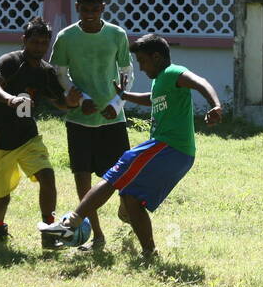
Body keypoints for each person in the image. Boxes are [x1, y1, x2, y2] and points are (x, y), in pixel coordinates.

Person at [39, 34, 222, 259]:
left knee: (118, 170)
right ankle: (149, 253)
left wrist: (216, 105)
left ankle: (70, 223)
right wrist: (125, 95)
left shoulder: (173, 72)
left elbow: (200, 81)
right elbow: (152, 98)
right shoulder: (160, 80)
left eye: (143, 62)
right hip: (177, 153)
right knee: (130, 197)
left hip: (169, 146)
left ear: (156, 57)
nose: (142, 68)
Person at [0, 18, 83, 246]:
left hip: (28, 138)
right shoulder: (10, 61)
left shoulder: (46, 72)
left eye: (43, 43)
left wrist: (72, 102)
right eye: (34, 42)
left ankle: (49, 232)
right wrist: (10, 99)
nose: (39, 47)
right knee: (1, 196)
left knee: (48, 177)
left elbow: (60, 103)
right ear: (24, 40)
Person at [49, 0, 133, 252]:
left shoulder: (116, 35)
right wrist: (82, 99)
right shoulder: (66, 37)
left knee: (124, 176)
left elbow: (127, 74)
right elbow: (61, 74)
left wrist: (117, 102)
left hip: (112, 118)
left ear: (103, 9)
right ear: (77, 9)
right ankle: (97, 236)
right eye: (85, 10)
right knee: (83, 181)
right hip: (79, 120)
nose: (90, 15)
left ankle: (126, 208)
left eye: (95, 10)